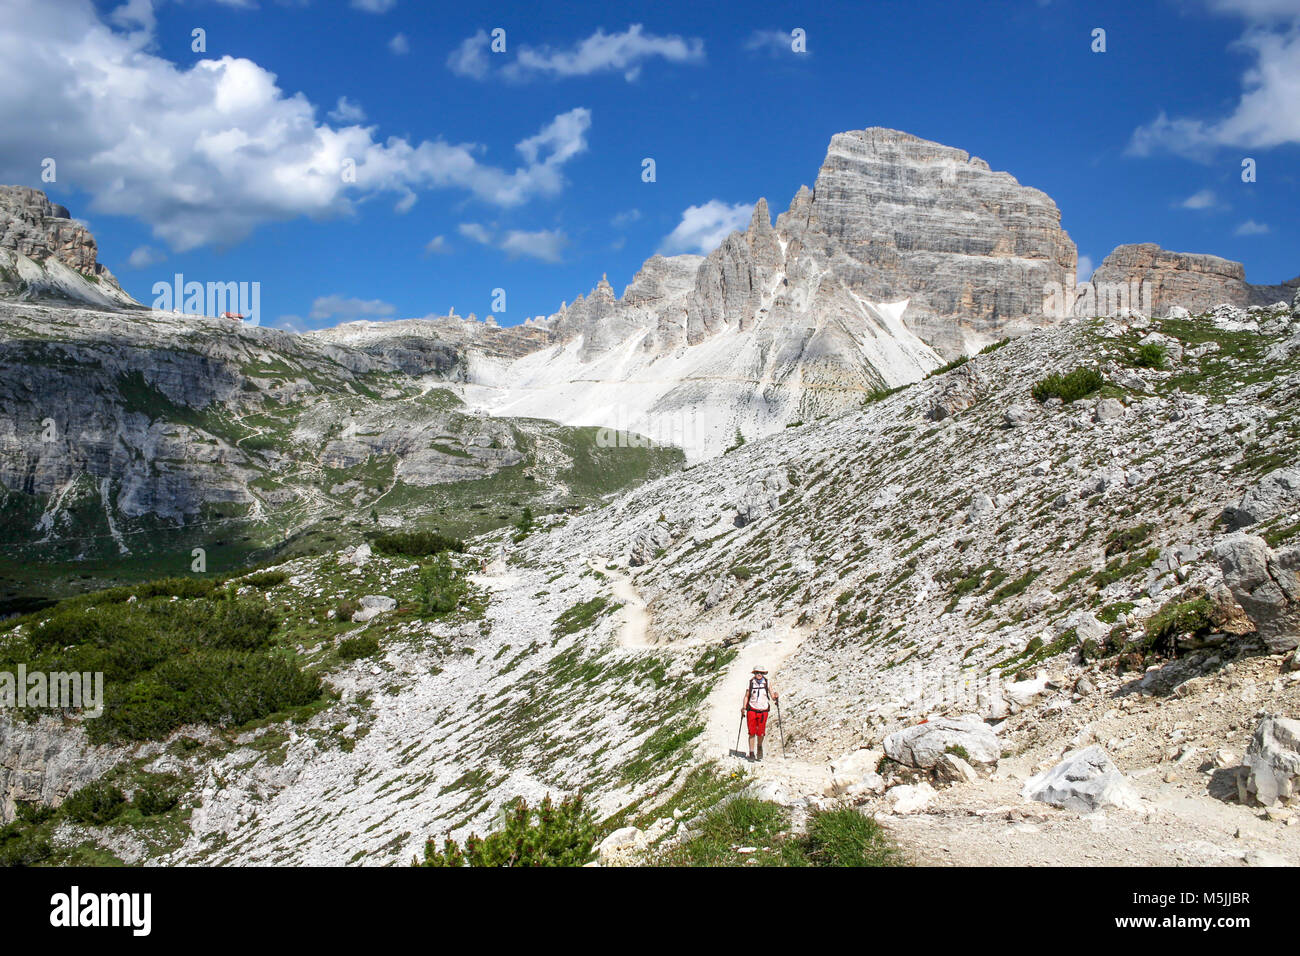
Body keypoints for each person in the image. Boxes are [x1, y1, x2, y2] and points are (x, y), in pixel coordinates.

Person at [741, 665, 778, 761]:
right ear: (754, 673)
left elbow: (772, 695)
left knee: (761, 732)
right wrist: (744, 707)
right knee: (752, 731)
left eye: (761, 673)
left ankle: (759, 746)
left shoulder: (767, 682)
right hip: (752, 709)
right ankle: (752, 752)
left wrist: (775, 697)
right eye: (757, 672)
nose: (759, 674)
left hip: (763, 710)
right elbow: (746, 696)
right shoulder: (750, 683)